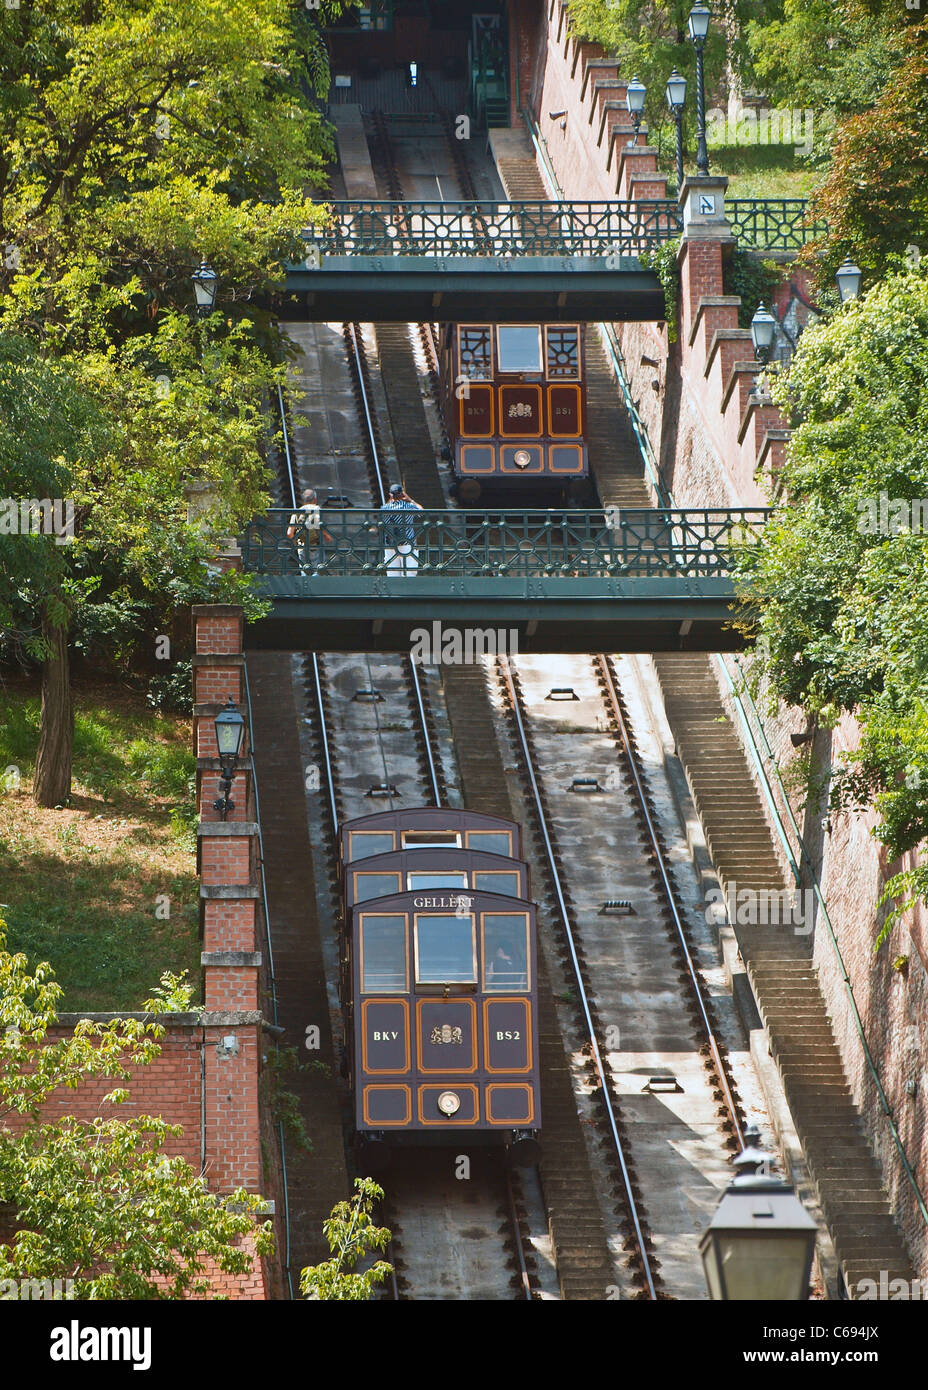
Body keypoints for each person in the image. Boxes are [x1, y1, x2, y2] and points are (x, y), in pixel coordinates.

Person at [379, 482, 422, 575]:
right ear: (402, 494)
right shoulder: (409, 506)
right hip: (407, 542)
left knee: (392, 573)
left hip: (390, 543)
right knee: (409, 572)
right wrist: (410, 499)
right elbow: (421, 511)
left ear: (390, 495)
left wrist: (390, 500)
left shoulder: (385, 508)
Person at [287, 488, 332, 574]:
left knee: (304, 570)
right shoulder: (316, 509)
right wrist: (327, 536)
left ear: (303, 500)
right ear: (315, 499)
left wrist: (295, 542)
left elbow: (289, 533)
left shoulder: (297, 511)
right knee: (317, 570)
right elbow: (319, 524)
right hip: (316, 545)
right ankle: (316, 586)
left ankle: (305, 585)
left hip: (302, 546)